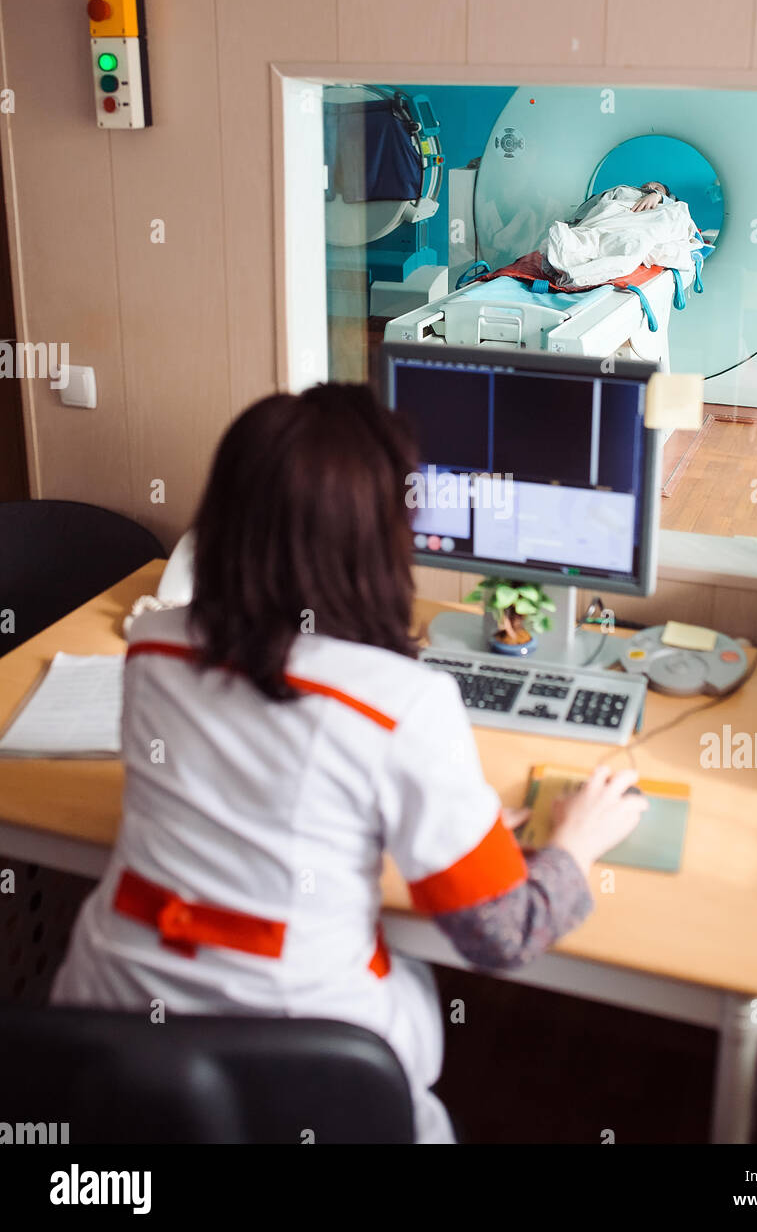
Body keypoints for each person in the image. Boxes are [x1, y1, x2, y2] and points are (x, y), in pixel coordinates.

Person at [51, 384, 647, 1144]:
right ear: (380, 538)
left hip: (110, 1041)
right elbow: (502, 935)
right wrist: (577, 844)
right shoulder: (404, 704)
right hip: (306, 1069)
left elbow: (259, 775)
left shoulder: (152, 647)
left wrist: (442, 823)